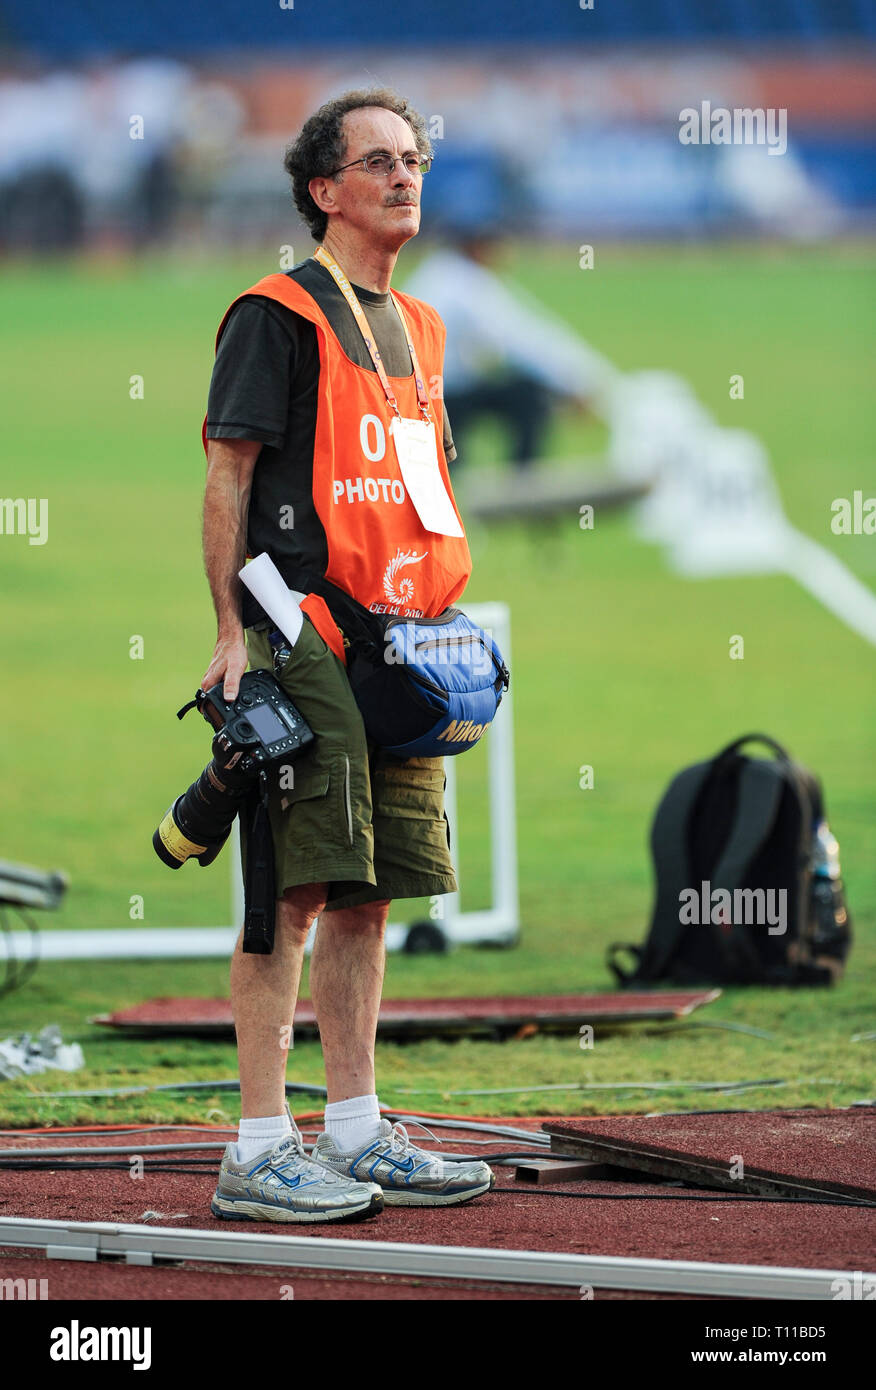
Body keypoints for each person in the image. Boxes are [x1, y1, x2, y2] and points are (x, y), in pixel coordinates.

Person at [201, 88, 494, 1223]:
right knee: (294, 889)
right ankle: (260, 1145)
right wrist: (233, 634)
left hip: (404, 647)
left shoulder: (421, 326)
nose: (404, 175)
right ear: (323, 189)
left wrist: (438, 617)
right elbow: (228, 475)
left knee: (372, 893)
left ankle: (359, 1128)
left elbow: (425, 486)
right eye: (377, 160)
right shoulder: (274, 314)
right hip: (304, 632)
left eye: (414, 157)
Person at [403, 227, 616, 467]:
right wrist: (579, 383)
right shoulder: (467, 284)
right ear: (478, 246)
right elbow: (523, 342)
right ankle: (521, 484)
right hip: (440, 397)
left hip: (419, 394)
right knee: (529, 397)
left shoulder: (433, 273)